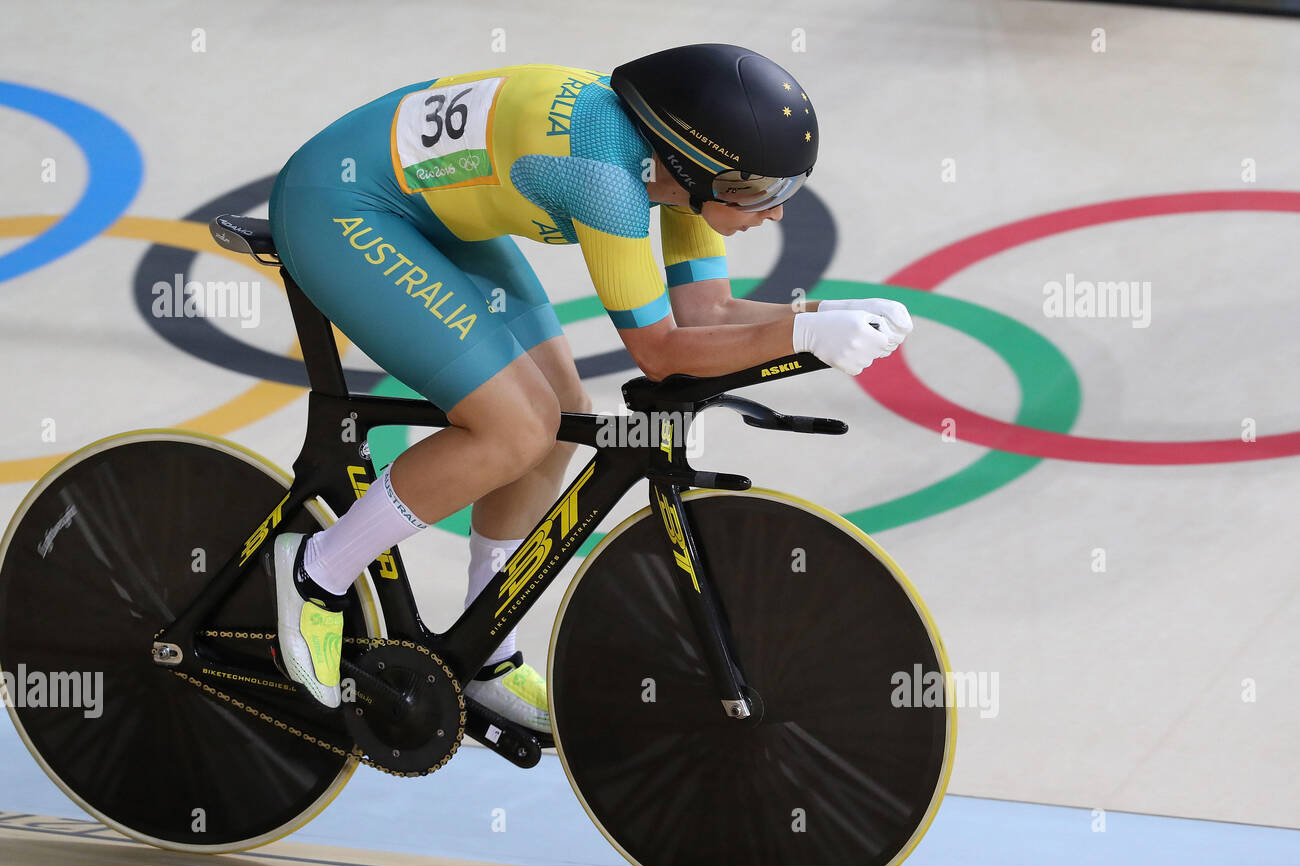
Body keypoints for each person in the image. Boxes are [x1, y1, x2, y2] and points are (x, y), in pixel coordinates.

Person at [268, 43, 914, 731]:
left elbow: (709, 315)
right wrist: (801, 336)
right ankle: (318, 568)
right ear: (693, 167)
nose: (776, 212)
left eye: (787, 189)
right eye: (758, 192)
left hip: (434, 214)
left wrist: (821, 315)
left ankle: (486, 647)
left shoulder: (677, 168)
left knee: (564, 415)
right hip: (341, 208)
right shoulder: (604, 177)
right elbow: (664, 353)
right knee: (513, 427)